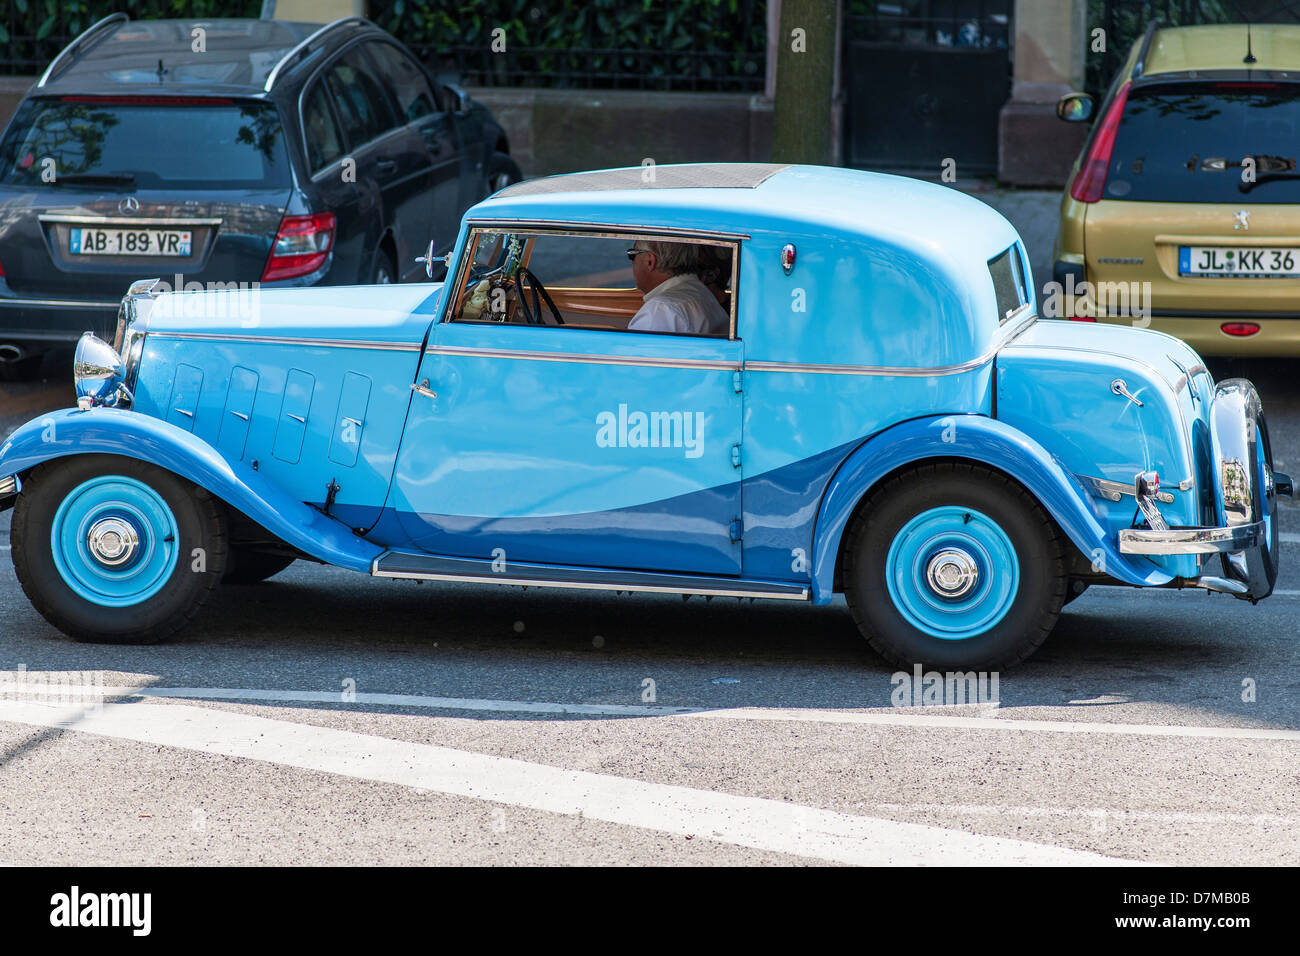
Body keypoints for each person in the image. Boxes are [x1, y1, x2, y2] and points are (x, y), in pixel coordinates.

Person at [626, 241, 729, 335]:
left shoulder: (660, 310)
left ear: (650, 261)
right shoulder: (700, 291)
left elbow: (631, 354)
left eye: (632, 255)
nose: (632, 262)